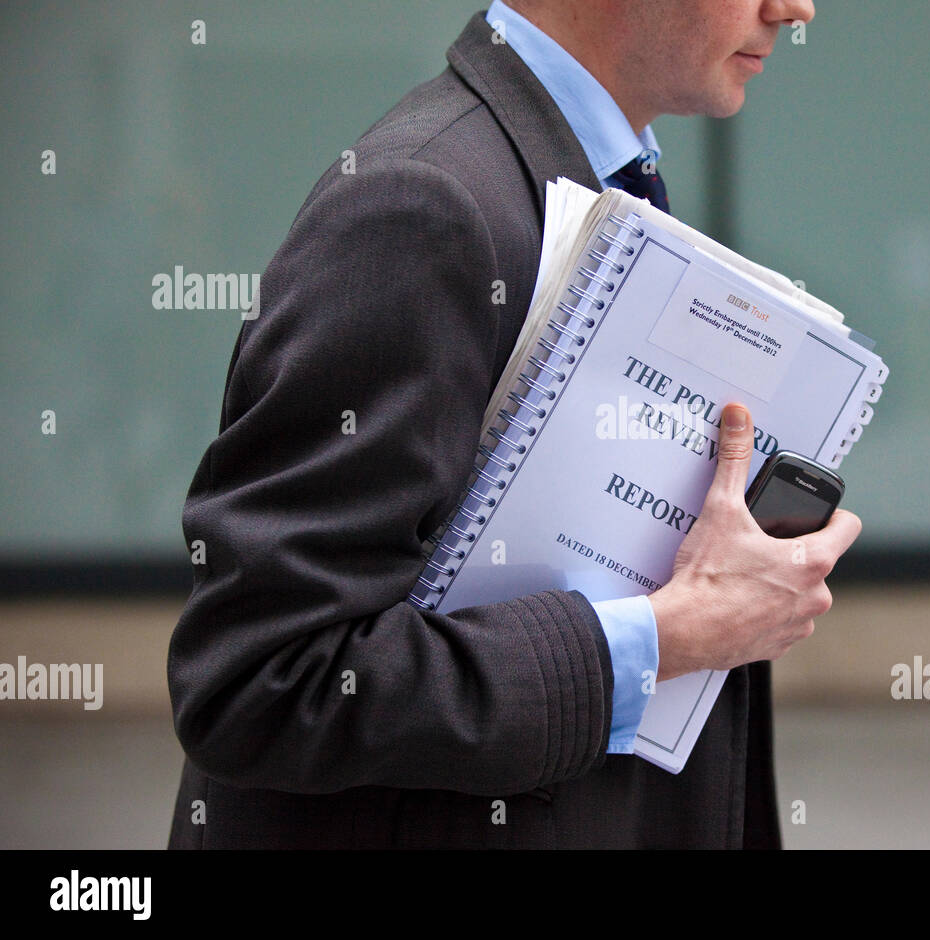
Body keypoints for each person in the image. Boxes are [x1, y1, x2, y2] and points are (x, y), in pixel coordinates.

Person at [166, 0, 859, 849]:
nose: (795, 8)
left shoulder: (587, 181)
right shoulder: (420, 203)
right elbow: (264, 683)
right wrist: (658, 640)